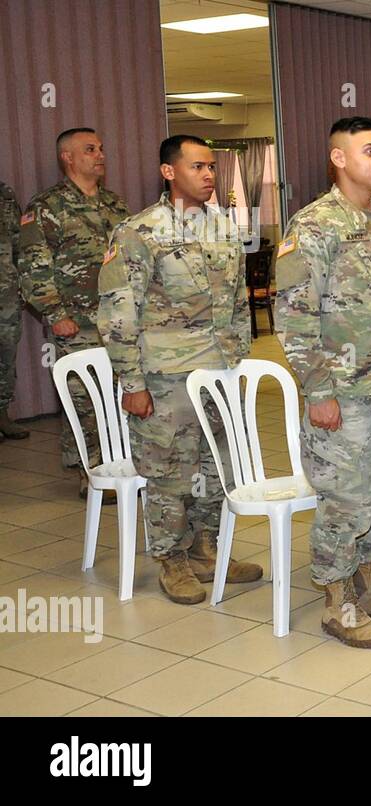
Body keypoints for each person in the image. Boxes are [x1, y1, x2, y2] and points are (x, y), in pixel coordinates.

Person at [275, 117, 371, 649]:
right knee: (346, 499)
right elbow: (293, 318)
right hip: (343, 392)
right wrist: (318, 392)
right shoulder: (313, 227)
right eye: (370, 150)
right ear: (339, 159)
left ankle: (370, 584)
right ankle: (336, 600)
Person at [98, 134, 262, 603]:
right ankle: (171, 559)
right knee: (170, 469)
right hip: (165, 375)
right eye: (197, 167)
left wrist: (240, 362)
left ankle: (206, 550)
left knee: (215, 466)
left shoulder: (225, 228)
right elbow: (117, 311)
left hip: (219, 371)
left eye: (212, 167)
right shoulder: (139, 232)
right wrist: (132, 381)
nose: (209, 175)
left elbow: (236, 302)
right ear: (169, 172)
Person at [18, 128, 131, 478]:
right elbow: (34, 264)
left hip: (118, 319)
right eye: (89, 149)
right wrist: (54, 314)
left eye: (100, 148)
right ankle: (92, 471)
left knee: (119, 394)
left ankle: (116, 461)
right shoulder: (46, 206)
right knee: (84, 397)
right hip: (76, 320)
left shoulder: (116, 205)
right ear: (67, 157)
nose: (100, 155)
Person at [0, 182, 21, 443]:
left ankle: (2, 413)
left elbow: (18, 241)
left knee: (6, 355)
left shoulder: (5, 194)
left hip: (5, 291)